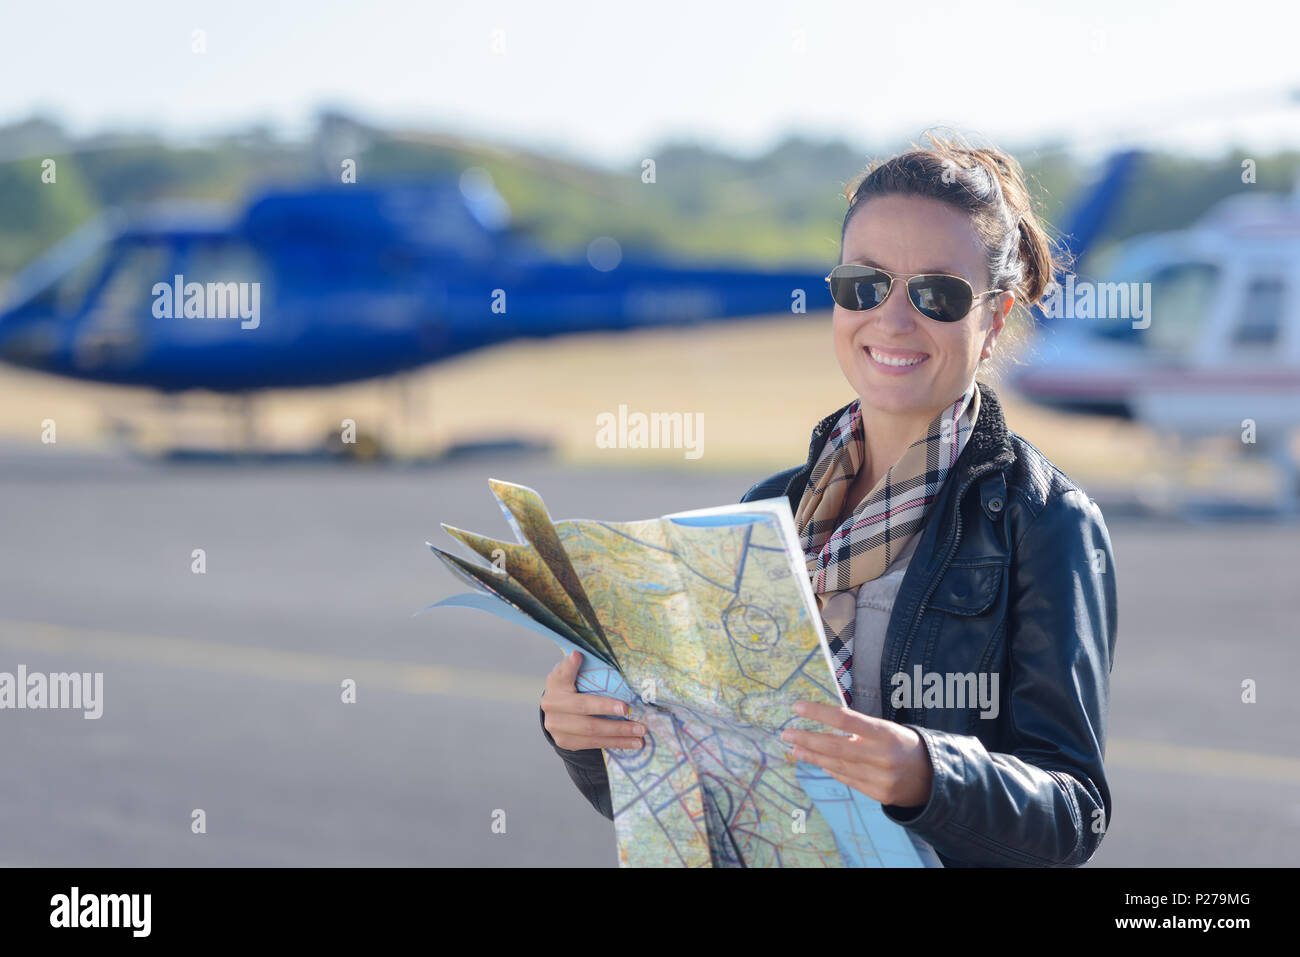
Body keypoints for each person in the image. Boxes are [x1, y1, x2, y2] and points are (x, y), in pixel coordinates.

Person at [538, 132, 1119, 867]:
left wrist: (927, 773)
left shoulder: (1046, 520)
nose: (894, 319)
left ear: (994, 318)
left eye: (939, 294)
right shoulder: (767, 507)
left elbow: (1072, 810)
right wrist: (588, 735)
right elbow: (696, 780)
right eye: (864, 285)